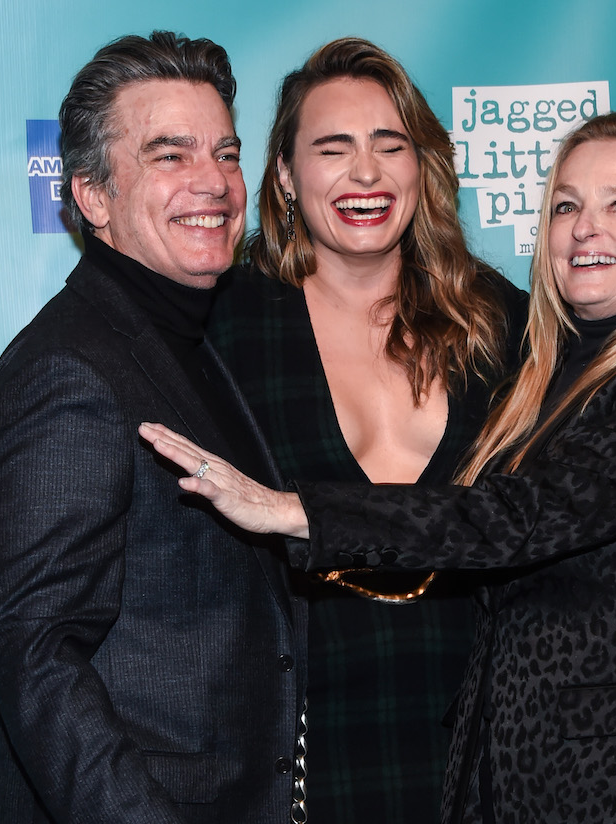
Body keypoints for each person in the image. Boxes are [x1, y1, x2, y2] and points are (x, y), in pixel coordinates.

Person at [142, 110, 616, 822]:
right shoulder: (535, 366)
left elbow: (523, 516)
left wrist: (296, 510)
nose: (586, 227)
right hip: (508, 765)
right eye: (567, 205)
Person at [0, 32, 305, 824]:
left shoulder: (193, 345)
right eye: (170, 156)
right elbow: (37, 656)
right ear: (91, 195)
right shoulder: (68, 369)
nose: (215, 183)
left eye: (226, 153)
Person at [205, 38, 525, 823]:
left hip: (484, 730)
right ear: (285, 174)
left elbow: (573, 489)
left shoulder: (496, 321)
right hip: (304, 742)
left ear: (424, 166)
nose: (367, 175)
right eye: (333, 148)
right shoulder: (224, 326)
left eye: (392, 146)